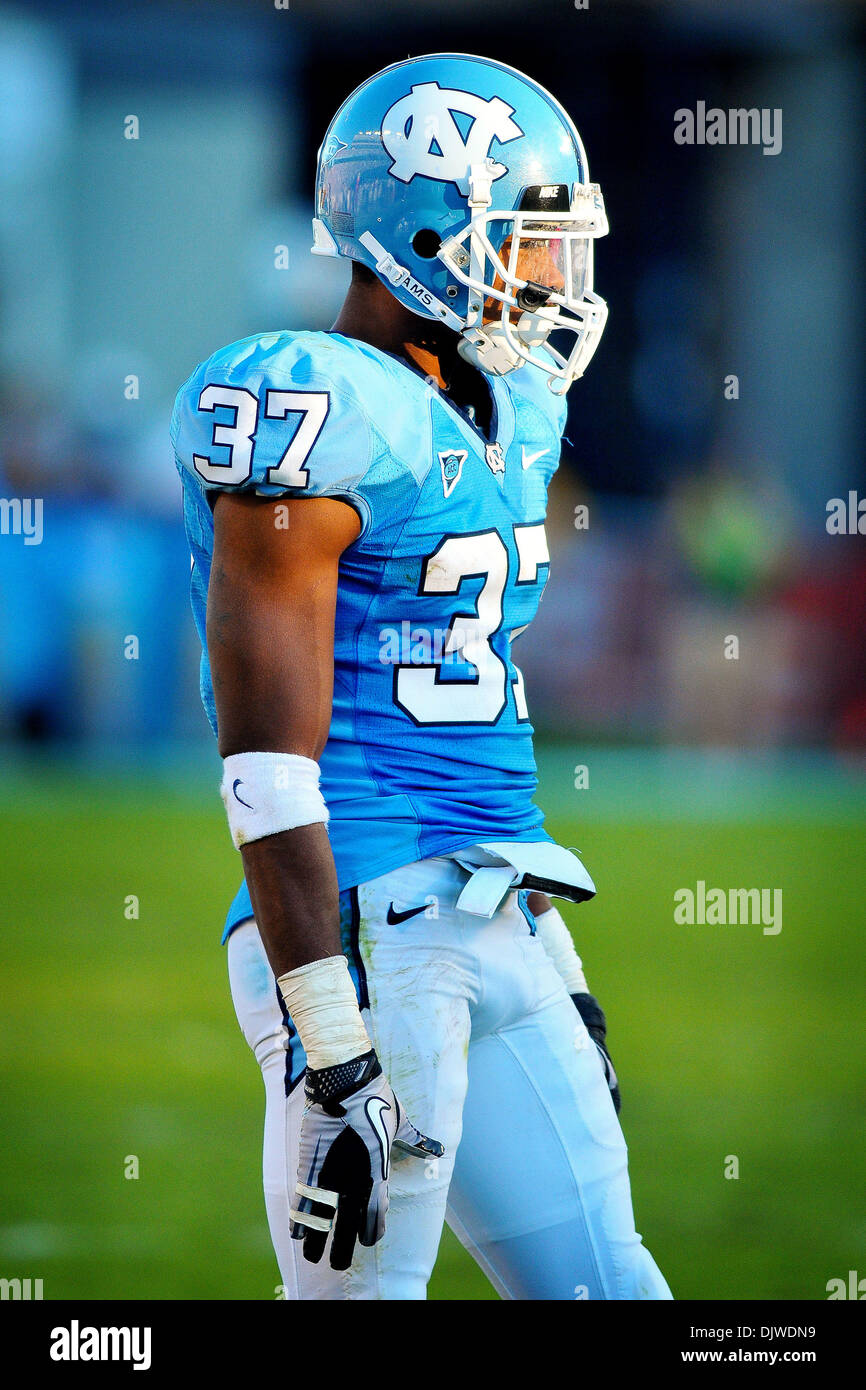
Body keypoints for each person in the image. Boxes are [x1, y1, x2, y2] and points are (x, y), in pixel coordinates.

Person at [172, 52, 671, 1301]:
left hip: (497, 905)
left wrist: (557, 968)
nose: (552, 276)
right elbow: (268, 764)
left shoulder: (504, 402)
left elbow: (484, 722)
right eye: (529, 239)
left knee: (611, 1287)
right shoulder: (315, 405)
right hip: (364, 937)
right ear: (431, 234)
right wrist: (328, 1041)